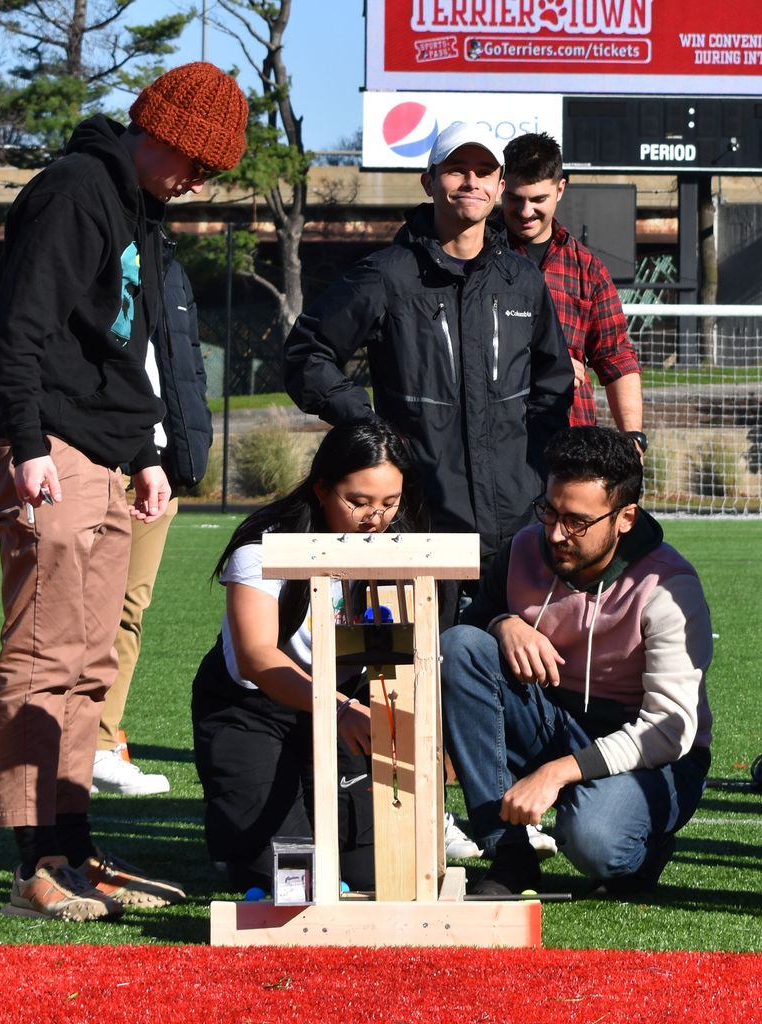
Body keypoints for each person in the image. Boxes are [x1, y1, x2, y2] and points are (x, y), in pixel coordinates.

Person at [0, 62, 248, 921]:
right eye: (194, 159)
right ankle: (33, 864)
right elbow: (21, 321)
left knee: (93, 665)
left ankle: (73, 842)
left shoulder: (140, 207)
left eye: (212, 168)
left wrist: (144, 452)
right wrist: (26, 442)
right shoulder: (77, 188)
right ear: (157, 128)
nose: (199, 177)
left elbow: (118, 352)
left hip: (106, 454)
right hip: (50, 448)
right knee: (42, 659)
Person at [284, 119, 574, 586]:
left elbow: (553, 384)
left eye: (485, 170)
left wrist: (534, 470)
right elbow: (306, 353)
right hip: (419, 524)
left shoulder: (522, 280)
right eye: (457, 168)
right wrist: (370, 427)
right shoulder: (386, 275)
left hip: (515, 528)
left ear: (501, 185)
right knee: (419, 657)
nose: (471, 181)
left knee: (506, 655)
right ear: (429, 180)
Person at [440, 426, 713, 896]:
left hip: (652, 755)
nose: (556, 533)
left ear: (625, 516)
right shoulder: (524, 547)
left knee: (595, 842)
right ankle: (509, 856)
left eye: (577, 521)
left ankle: (643, 848)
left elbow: (669, 729)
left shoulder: (670, 588)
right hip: (555, 720)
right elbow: (469, 635)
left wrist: (557, 771)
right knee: (462, 646)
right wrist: (502, 622)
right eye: (549, 510)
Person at [191, 420, 428, 893]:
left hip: (343, 702)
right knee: (291, 874)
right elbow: (257, 657)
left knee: (369, 872)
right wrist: (336, 709)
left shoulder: (399, 544)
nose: (374, 518)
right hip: (254, 709)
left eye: (389, 503)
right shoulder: (263, 547)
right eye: (357, 502)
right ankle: (246, 841)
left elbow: (399, 652)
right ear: (322, 489)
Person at [92, 240, 213, 796]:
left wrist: (183, 450)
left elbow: (182, 364)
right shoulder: (85, 234)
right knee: (69, 614)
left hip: (157, 462)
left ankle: (98, 741)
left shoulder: (166, 258)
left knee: (127, 610)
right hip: (90, 451)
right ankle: (67, 746)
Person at [501, 132, 645, 446]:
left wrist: (634, 439)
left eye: (538, 199)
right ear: (501, 187)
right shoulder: (479, 255)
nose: (526, 212)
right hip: (496, 441)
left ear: (560, 189)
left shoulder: (587, 268)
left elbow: (616, 358)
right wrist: (550, 364)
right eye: (515, 198)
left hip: (569, 440)